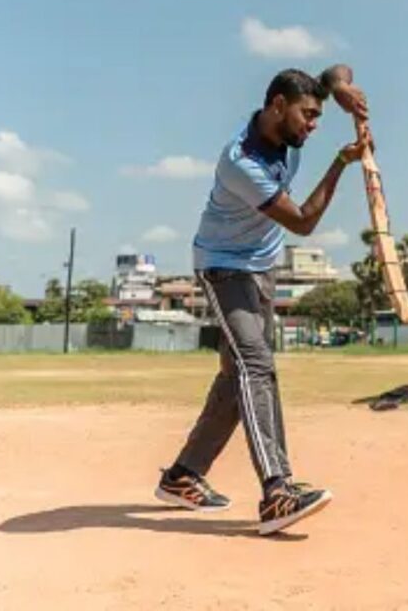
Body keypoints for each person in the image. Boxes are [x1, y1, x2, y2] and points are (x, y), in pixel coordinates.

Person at [155, 65, 368, 536]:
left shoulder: (289, 129)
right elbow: (303, 221)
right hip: (224, 267)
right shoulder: (242, 162)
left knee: (237, 379)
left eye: (318, 116)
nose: (313, 125)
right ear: (277, 106)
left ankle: (183, 475)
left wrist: (340, 88)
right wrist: (341, 161)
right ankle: (278, 490)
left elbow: (333, 73)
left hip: (263, 266)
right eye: (308, 115)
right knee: (255, 364)